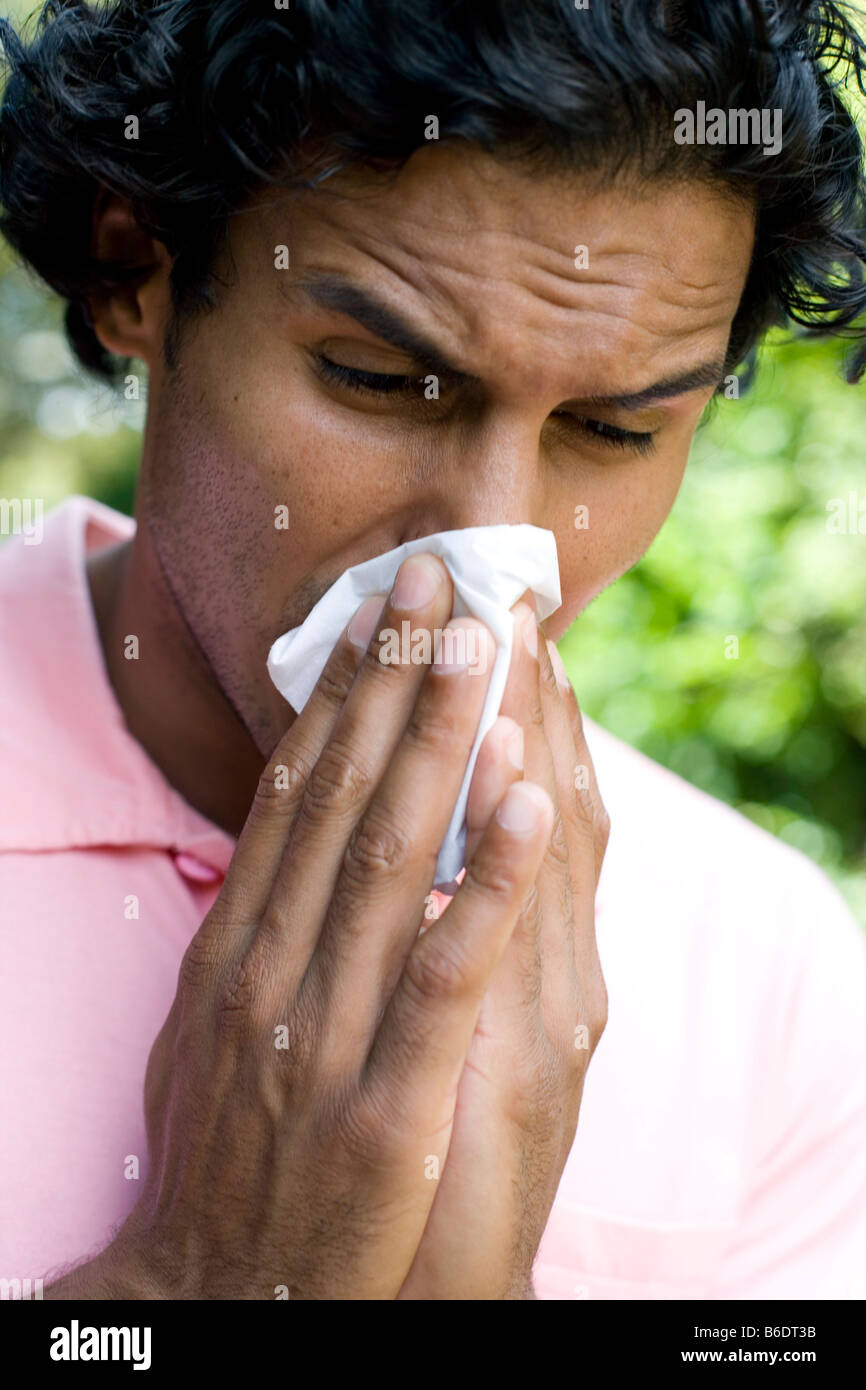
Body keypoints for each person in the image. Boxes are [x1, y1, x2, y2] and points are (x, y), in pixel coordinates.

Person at [1, 0, 865, 1301]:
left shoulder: (765, 970)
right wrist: (190, 1287)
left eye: (613, 430)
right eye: (376, 377)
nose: (488, 542)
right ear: (137, 271)